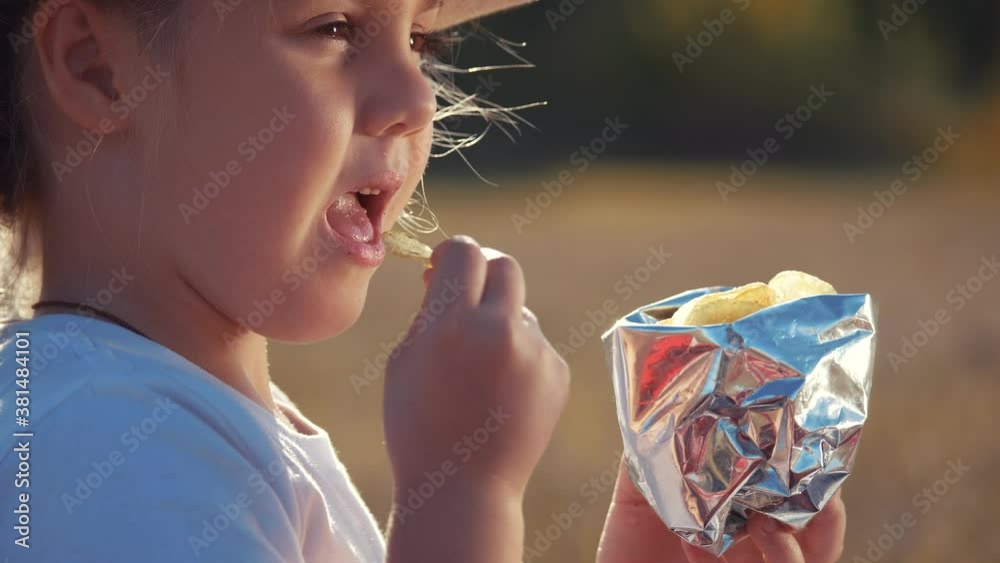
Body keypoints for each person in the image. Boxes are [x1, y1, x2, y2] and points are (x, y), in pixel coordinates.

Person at [0, 0, 845, 561]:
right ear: (97, 66)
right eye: (334, 26)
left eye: (420, 39)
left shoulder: (154, 416)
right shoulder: (100, 445)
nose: (415, 92)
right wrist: (466, 493)